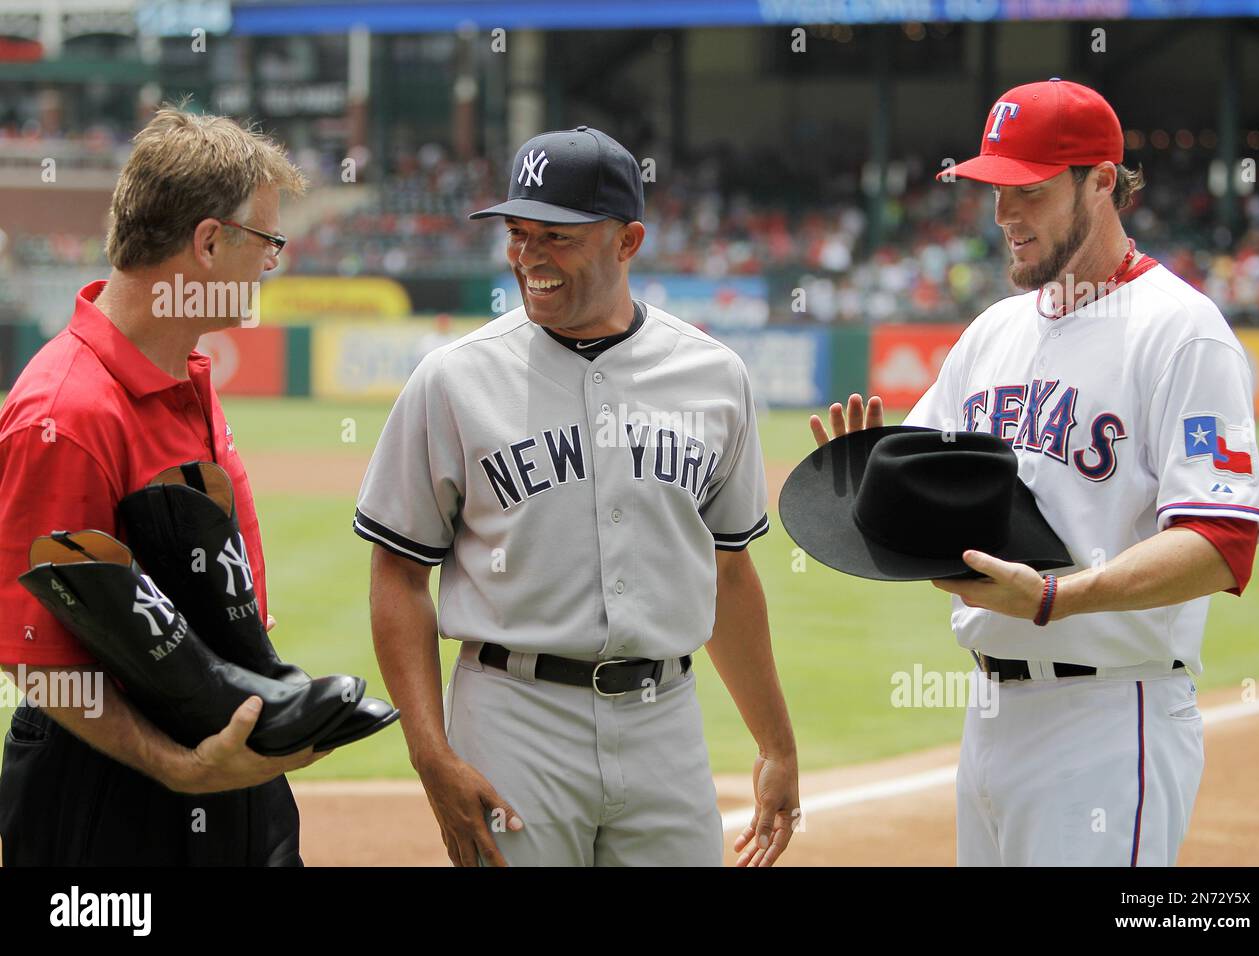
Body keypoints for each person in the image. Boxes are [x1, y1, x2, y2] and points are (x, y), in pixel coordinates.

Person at [811, 79, 1259, 866]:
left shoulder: (1182, 331)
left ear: (1100, 180)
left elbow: (1222, 540)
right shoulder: (993, 333)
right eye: (993, 190)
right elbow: (930, 490)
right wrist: (872, 493)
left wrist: (1058, 597)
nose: (1002, 216)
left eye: (1026, 190)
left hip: (1106, 713)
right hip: (989, 715)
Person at [356, 126, 799, 867]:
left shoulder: (714, 376)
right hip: (512, 715)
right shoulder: (454, 378)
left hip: (665, 721)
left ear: (628, 242)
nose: (529, 256)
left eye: (556, 236)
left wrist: (776, 745)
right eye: (517, 232)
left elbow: (729, 572)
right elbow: (398, 573)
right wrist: (429, 755)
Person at [0, 106, 330, 865]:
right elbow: (36, 660)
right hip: (113, 793)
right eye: (268, 242)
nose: (274, 263)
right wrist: (178, 769)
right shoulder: (66, 411)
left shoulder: (184, 372)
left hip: (220, 755)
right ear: (209, 243)